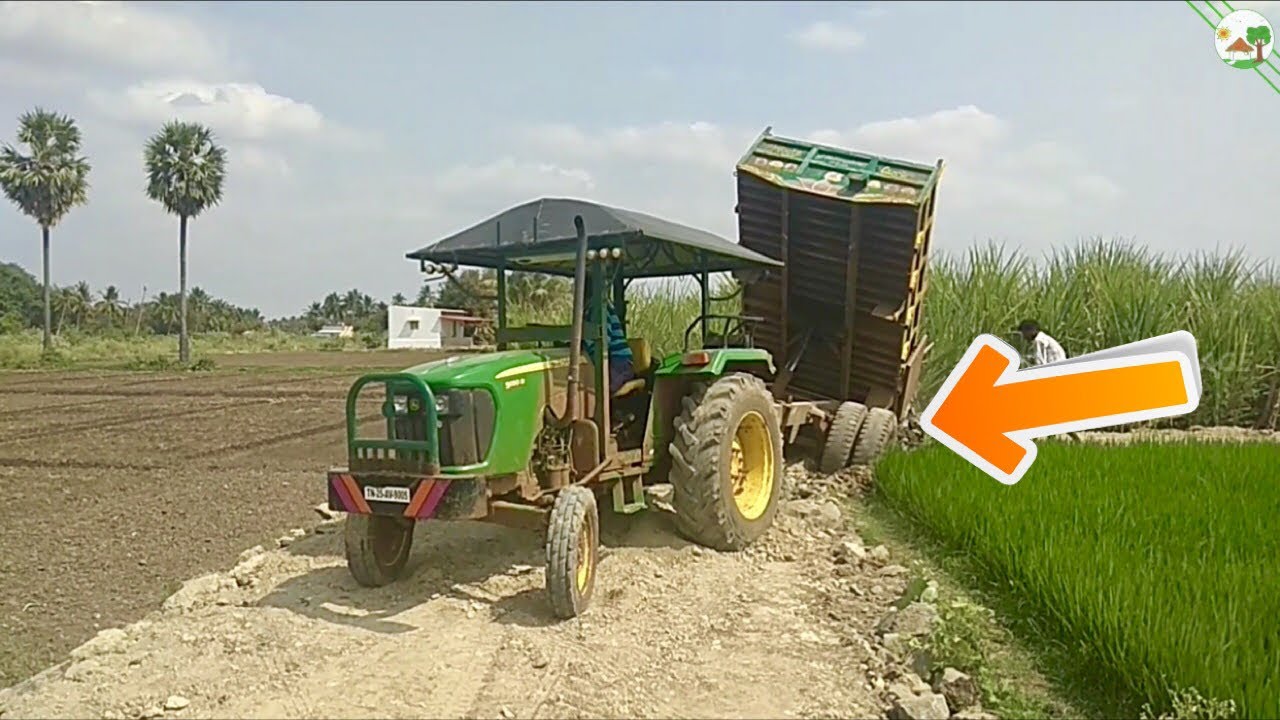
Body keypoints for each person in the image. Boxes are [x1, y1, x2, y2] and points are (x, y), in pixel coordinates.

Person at [582, 277, 635, 395]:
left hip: (619, 363)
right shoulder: (592, 309)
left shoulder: (600, 309)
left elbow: (604, 341)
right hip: (613, 362)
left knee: (600, 389)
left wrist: (583, 347)